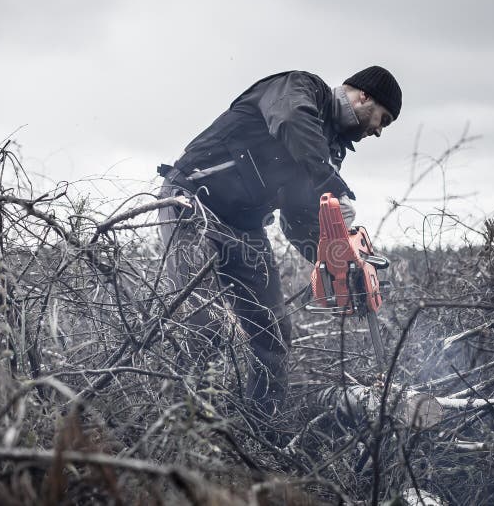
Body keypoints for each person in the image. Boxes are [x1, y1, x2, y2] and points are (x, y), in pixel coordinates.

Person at [157, 66, 402, 413]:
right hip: (192, 201)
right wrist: (328, 181)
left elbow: (298, 221)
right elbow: (290, 120)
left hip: (245, 226)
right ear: (364, 96)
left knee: (272, 332)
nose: (379, 131)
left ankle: (263, 429)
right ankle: (190, 429)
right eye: (384, 118)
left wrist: (343, 261)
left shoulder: (328, 150)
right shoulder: (300, 89)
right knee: (203, 320)